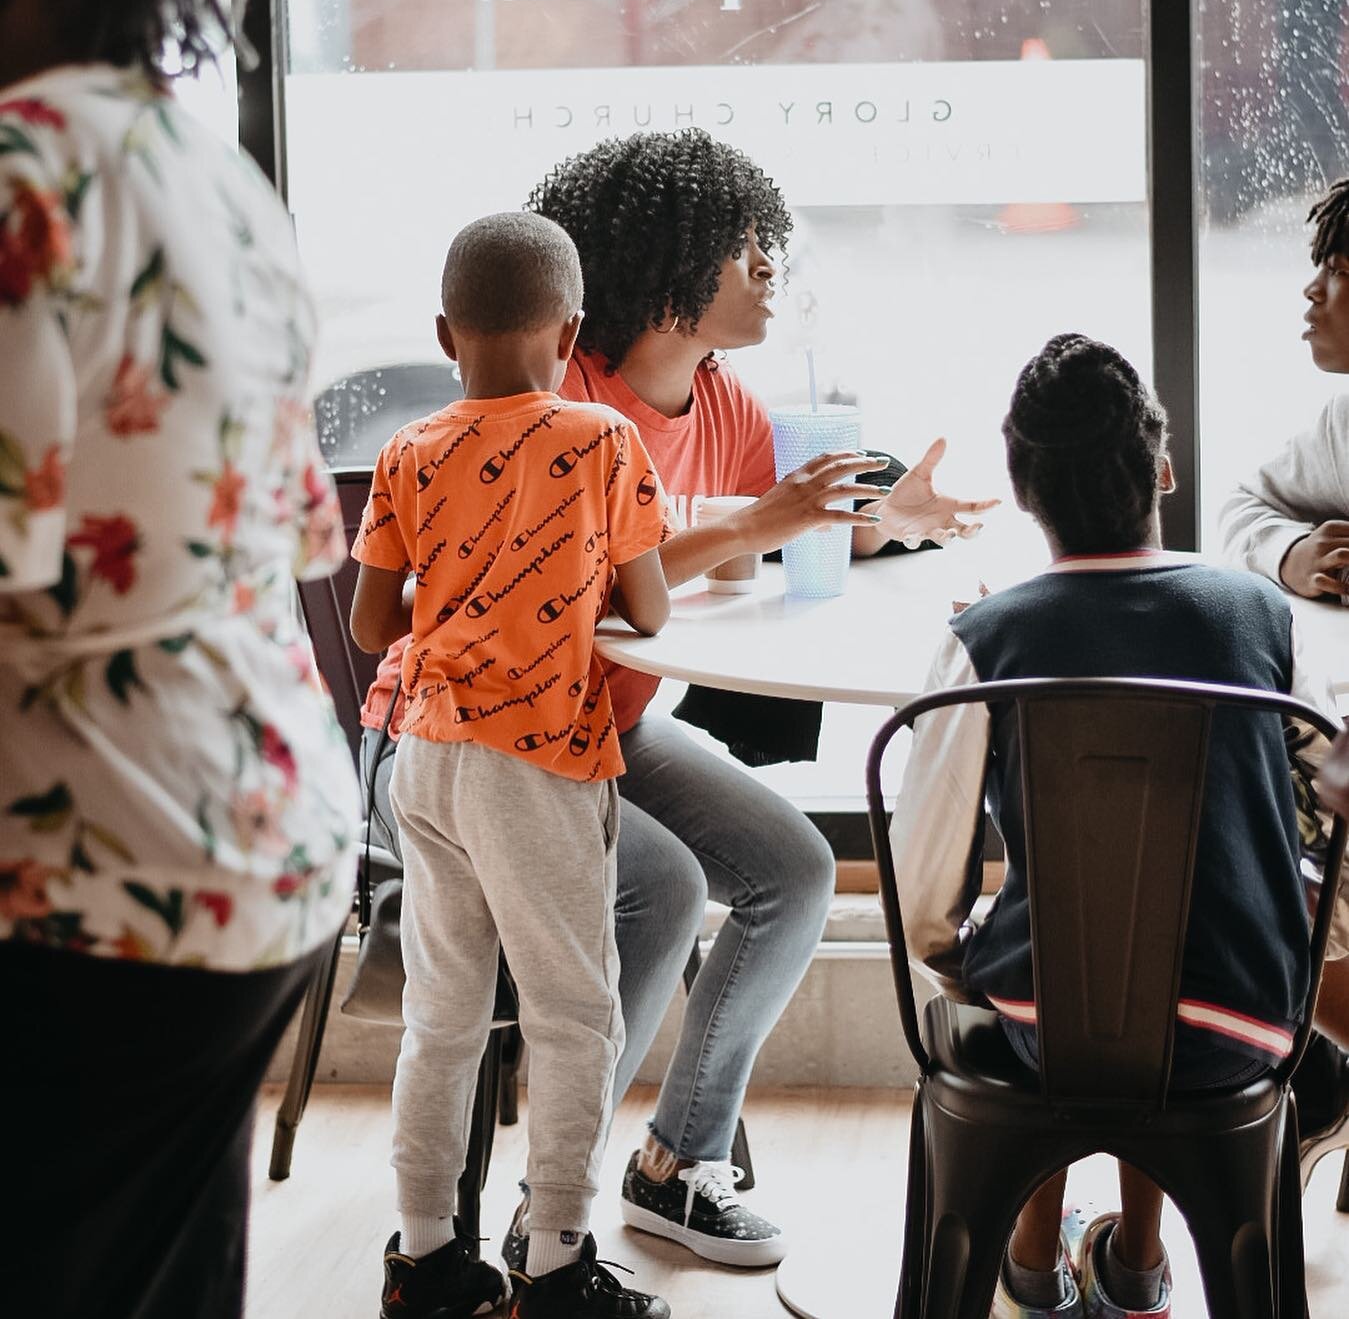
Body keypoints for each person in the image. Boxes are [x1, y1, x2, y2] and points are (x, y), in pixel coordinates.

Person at [360, 128, 994, 1270]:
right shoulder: (566, 394)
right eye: (745, 249)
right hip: (512, 734)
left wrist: (889, 519)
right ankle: (557, 1206)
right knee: (659, 881)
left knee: (792, 867)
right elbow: (609, 571)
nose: (768, 273)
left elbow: (771, 521)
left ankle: (676, 1166)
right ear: (669, 262)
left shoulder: (723, 401)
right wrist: (753, 527)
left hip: (609, 718)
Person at [0, 0, 359, 1318]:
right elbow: (297, 531)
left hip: (88, 865)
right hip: (265, 841)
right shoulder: (221, 177)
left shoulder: (23, 161)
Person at [891, 334, 1338, 1319]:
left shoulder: (984, 641)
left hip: (1047, 1028)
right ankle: (1135, 1261)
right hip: (1246, 1021)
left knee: (1060, 958)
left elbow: (924, 898)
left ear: (1017, 490)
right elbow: (1332, 775)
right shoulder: (1261, 618)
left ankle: (1026, 1261)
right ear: (1164, 469)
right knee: (1169, 951)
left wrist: (951, 954)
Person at [350, 212, 673, 1319]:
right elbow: (649, 604)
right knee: (575, 1016)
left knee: (442, 1016)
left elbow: (364, 625)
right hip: (533, 758)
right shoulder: (599, 440)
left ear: (445, 333)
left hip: (424, 753)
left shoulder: (406, 448)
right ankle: (557, 1265)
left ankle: (428, 1256)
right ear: (572, 328)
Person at [1218, 175, 1349, 1173]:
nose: (1310, 293)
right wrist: (1292, 551)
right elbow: (1244, 503)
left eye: (1334, 273)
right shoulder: (1342, 421)